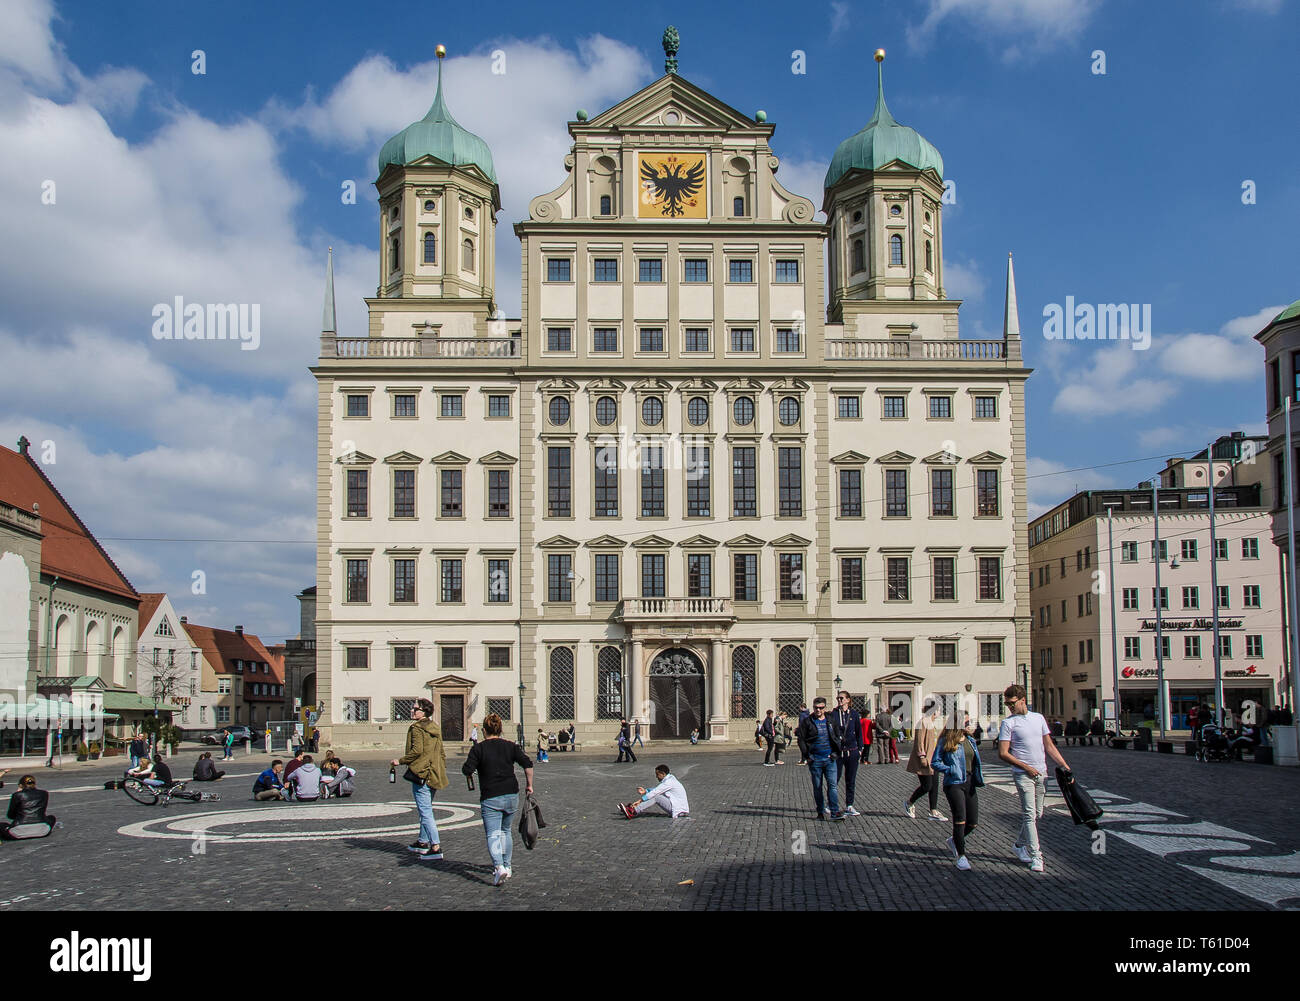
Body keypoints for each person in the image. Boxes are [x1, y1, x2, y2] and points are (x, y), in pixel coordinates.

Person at [998, 684, 1070, 874]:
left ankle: (1019, 844)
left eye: (1012, 703)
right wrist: (1025, 767)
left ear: (1022, 700)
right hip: (1023, 774)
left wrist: (1064, 765)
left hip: (1041, 772)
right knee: (1029, 815)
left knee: (1038, 814)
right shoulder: (1008, 723)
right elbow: (1003, 753)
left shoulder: (1038, 718)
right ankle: (1037, 856)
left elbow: (1049, 746)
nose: (1009, 707)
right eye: (1007, 704)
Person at [462, 713, 535, 886]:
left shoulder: (478, 749)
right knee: (505, 831)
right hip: (511, 794)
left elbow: (467, 769)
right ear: (500, 729)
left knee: (493, 834)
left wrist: (473, 769)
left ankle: (499, 867)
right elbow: (528, 764)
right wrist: (529, 785)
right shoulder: (510, 746)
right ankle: (508, 866)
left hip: (491, 796)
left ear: (484, 730)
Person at [392, 698, 448, 859]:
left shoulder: (416, 728)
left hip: (422, 773)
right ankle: (422, 842)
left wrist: (400, 760)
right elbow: (441, 752)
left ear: (423, 712)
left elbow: (416, 751)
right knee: (426, 808)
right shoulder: (435, 727)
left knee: (425, 812)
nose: (412, 710)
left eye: (415, 709)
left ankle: (435, 846)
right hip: (434, 773)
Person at [931, 721, 983, 870]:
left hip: (970, 782)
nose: (970, 724)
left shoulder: (970, 740)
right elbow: (935, 762)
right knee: (960, 819)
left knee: (972, 822)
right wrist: (950, 769)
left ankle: (954, 840)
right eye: (966, 722)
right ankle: (961, 856)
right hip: (954, 783)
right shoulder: (946, 740)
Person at [797, 697, 844, 821]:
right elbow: (801, 739)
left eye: (821, 708)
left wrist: (836, 753)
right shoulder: (808, 721)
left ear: (825, 708)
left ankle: (835, 811)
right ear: (813, 707)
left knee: (832, 786)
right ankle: (820, 812)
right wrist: (807, 756)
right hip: (815, 760)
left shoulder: (831, 720)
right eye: (816, 708)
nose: (818, 710)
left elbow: (837, 736)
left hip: (830, 759)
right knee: (817, 787)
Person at [905, 705, 944, 820]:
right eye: (938, 710)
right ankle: (909, 802)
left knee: (934, 786)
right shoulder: (923, 722)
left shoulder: (933, 723)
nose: (940, 712)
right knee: (927, 786)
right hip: (925, 760)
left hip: (934, 760)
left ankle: (933, 810)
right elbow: (919, 741)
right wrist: (922, 756)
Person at [831, 691, 863, 816]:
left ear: (848, 700)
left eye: (841, 698)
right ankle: (831, 804)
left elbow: (859, 732)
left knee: (851, 780)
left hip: (852, 751)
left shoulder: (854, 714)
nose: (839, 700)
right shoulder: (834, 714)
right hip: (839, 752)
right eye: (838, 698)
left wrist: (860, 748)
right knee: (834, 779)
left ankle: (849, 805)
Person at [618, 764, 689, 819]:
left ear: (663, 774)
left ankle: (633, 811)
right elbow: (658, 789)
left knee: (656, 797)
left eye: (657, 774)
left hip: (679, 810)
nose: (656, 777)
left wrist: (640, 800)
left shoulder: (669, 782)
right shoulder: (669, 779)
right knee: (655, 795)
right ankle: (633, 808)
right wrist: (646, 791)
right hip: (677, 807)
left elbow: (656, 792)